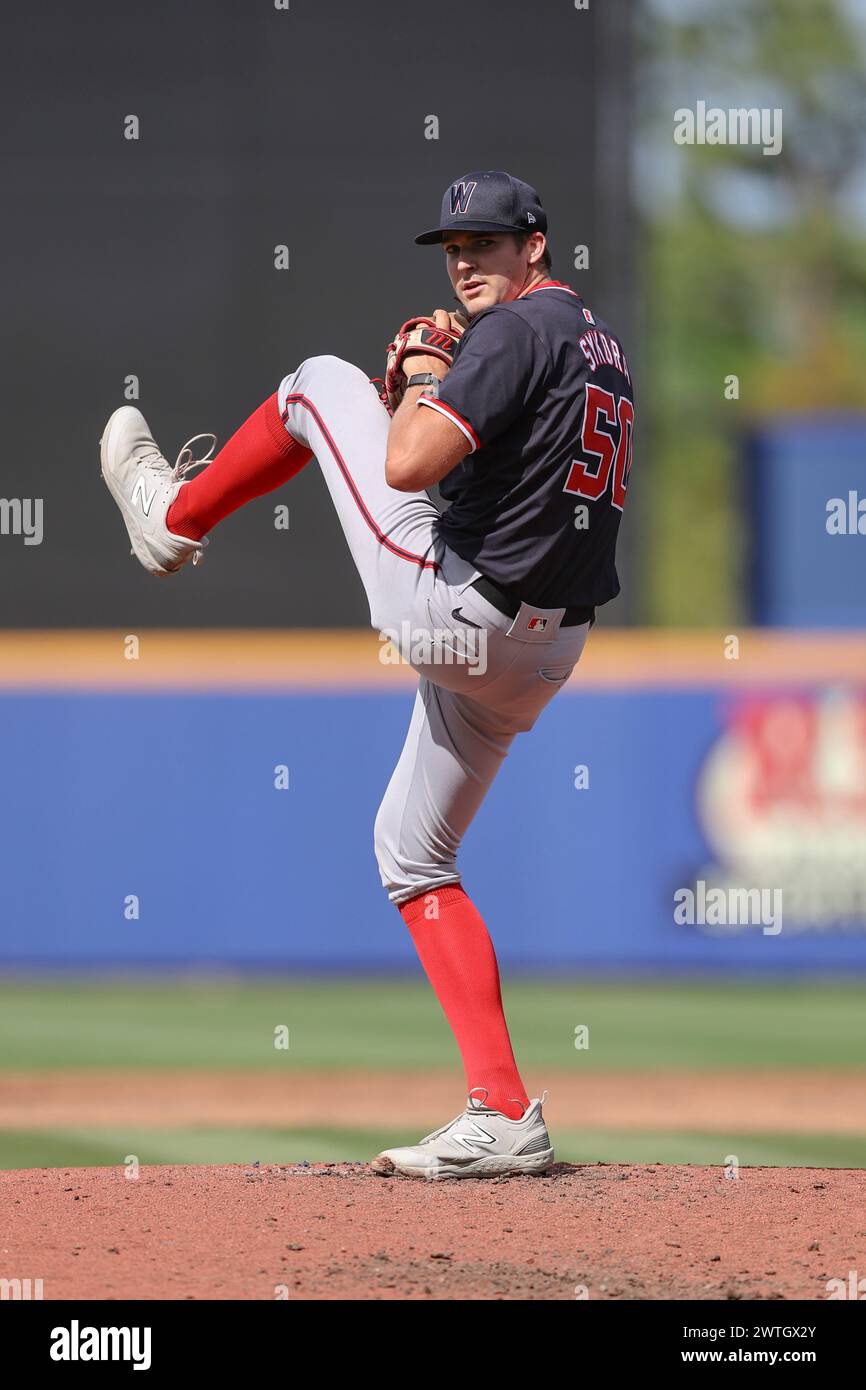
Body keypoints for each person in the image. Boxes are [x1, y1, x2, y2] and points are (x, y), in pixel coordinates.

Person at [100, 169, 635, 1180]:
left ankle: (170, 520)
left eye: (485, 240)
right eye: (452, 244)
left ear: (536, 243)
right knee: (411, 853)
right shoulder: (596, 347)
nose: (465, 258)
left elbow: (405, 462)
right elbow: (512, 481)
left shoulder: (517, 332)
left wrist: (430, 380)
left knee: (312, 384)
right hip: (545, 649)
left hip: (459, 613)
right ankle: (502, 1113)